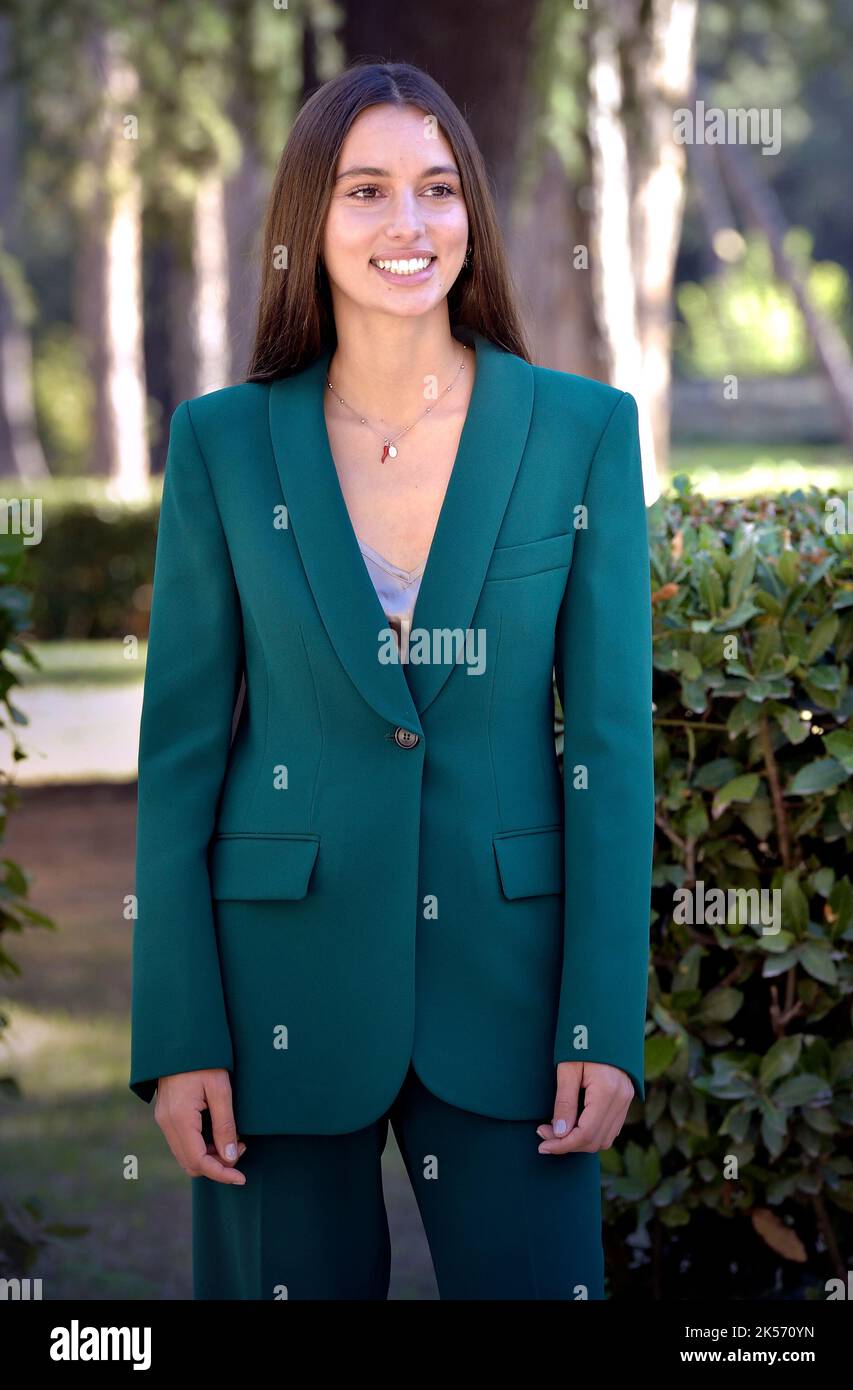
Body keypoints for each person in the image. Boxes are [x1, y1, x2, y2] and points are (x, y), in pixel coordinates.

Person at [129, 59, 655, 1301]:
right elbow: (181, 758)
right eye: (365, 191)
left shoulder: (582, 430)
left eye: (435, 188)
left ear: (472, 212)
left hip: (511, 995)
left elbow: (612, 751)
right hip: (274, 997)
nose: (405, 225)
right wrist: (179, 1034)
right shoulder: (221, 441)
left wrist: (601, 1021)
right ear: (309, 218)